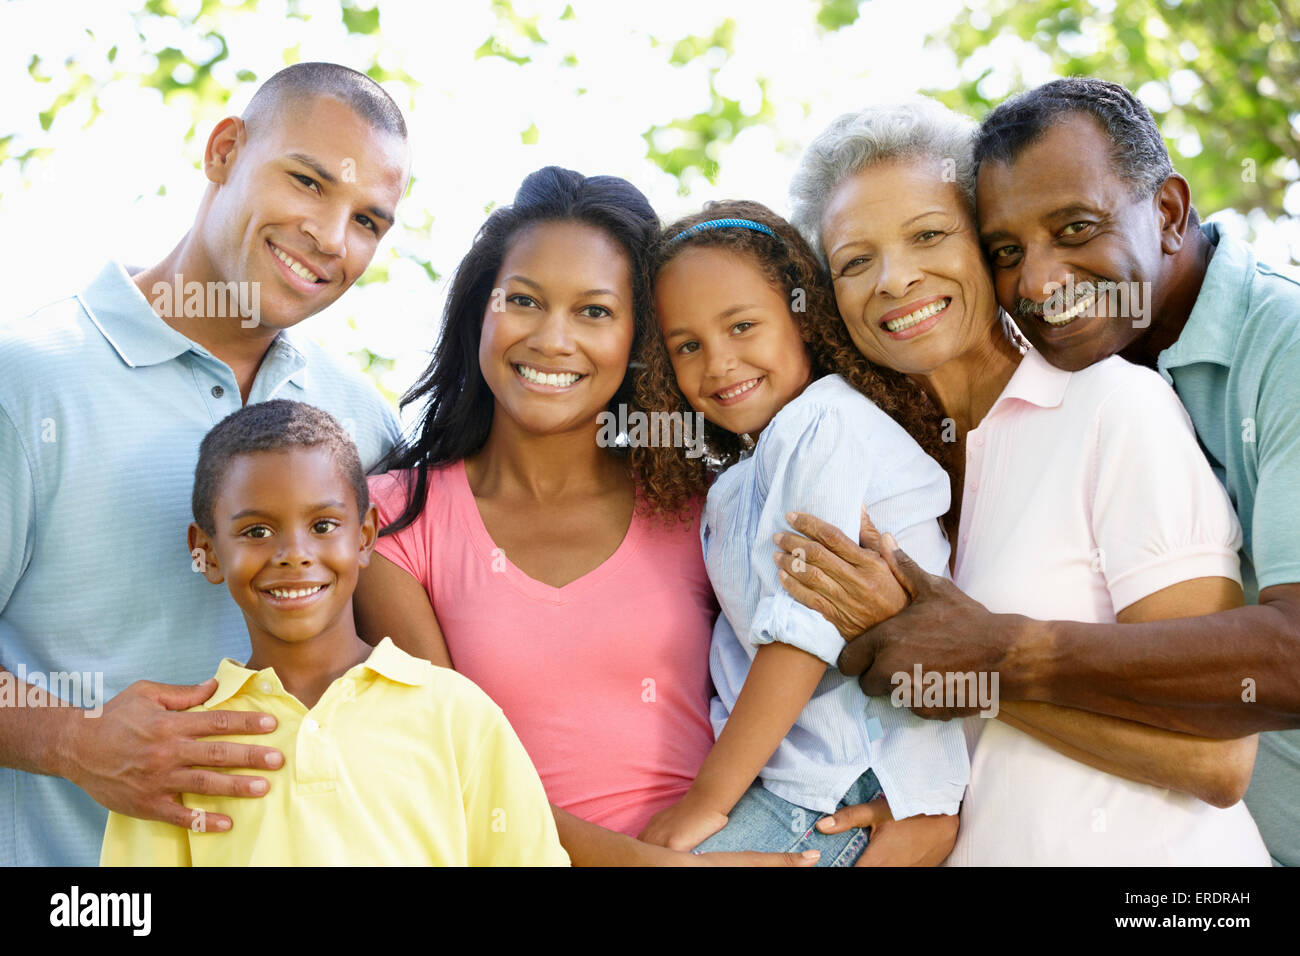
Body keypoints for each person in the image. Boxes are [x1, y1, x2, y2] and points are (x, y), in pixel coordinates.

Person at [804, 78, 1300, 866]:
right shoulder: (881, 474)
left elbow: (1217, 761)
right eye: (855, 259)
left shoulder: (1117, 401)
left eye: (929, 235)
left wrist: (976, 663)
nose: (894, 278)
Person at [0, 62, 410, 866]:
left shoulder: (364, 423)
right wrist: (71, 739)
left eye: (368, 220)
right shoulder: (31, 381)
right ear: (225, 150)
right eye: (307, 182)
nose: (331, 237)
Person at [633, 201, 967, 866]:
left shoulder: (824, 424)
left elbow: (804, 630)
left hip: (842, 781)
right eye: (688, 346)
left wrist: (707, 800)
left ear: (803, 317)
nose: (720, 362)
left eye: (743, 326)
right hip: (794, 777)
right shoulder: (741, 475)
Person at [99, 401, 568, 866]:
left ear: (364, 537)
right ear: (208, 552)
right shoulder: (174, 747)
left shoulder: (458, 714)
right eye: (257, 531)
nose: (294, 554)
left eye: (323, 525)